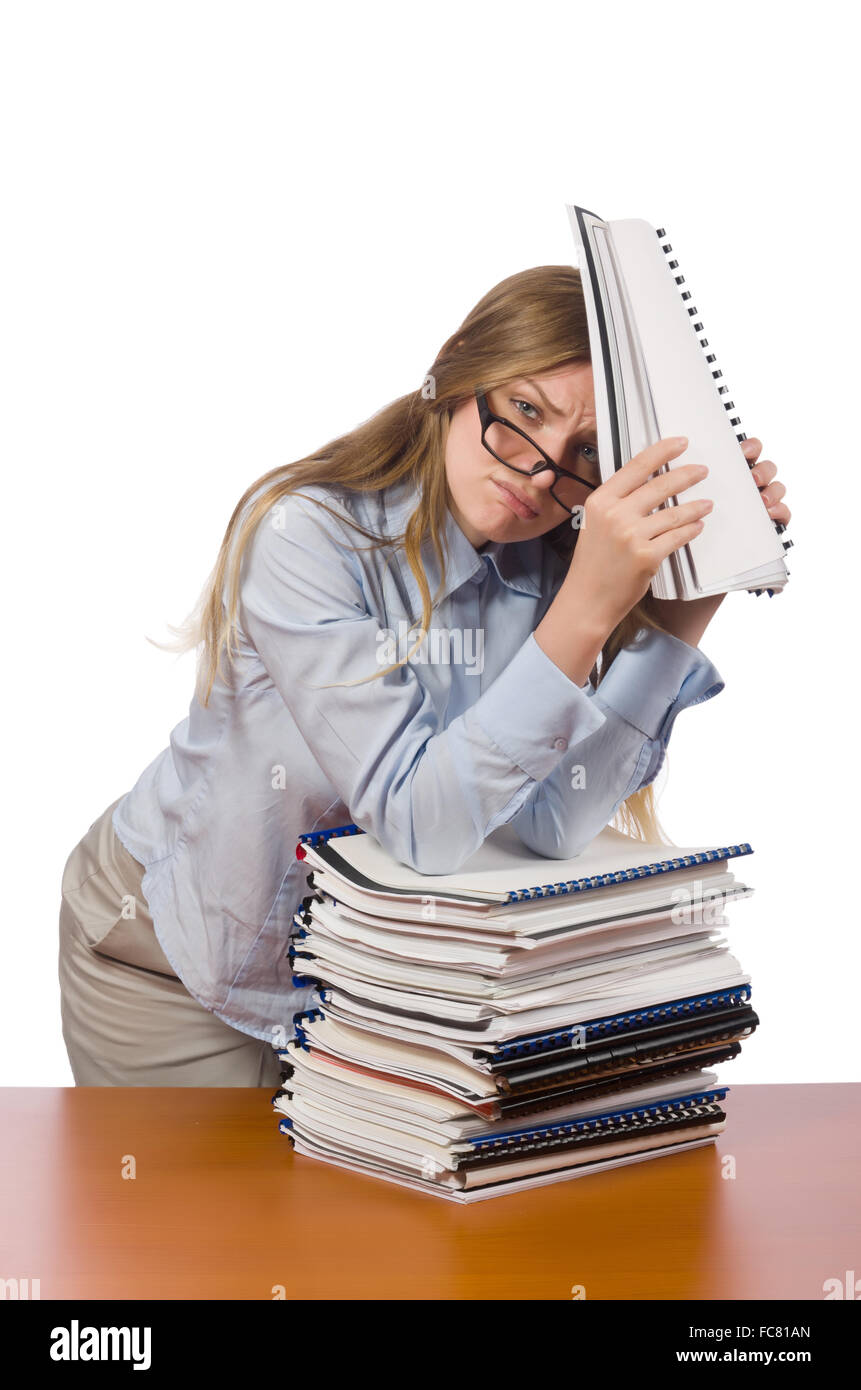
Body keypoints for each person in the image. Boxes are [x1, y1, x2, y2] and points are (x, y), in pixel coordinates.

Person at [58, 265, 790, 1087]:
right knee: (203, 1220)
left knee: (360, 1217)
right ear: (453, 378)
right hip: (170, 958)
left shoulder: (549, 566)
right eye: (521, 413)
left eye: (583, 451)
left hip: (367, 980)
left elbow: (547, 825)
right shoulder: (306, 535)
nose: (540, 473)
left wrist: (681, 608)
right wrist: (588, 606)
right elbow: (420, 823)